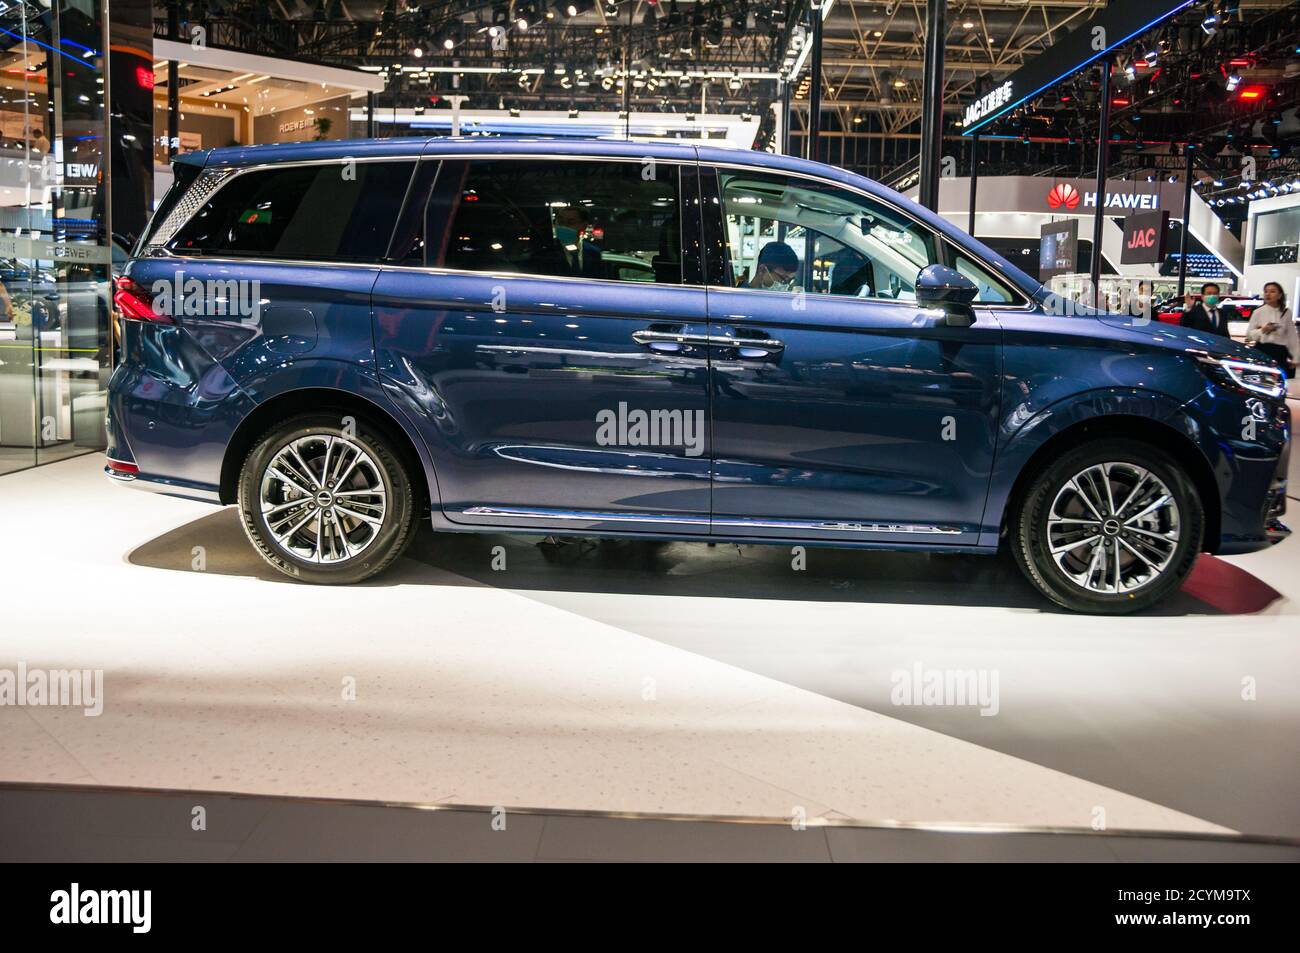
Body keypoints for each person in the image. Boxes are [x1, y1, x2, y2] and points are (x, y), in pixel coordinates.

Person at [1245, 281, 1298, 375]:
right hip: (1263, 350)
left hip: (1280, 352)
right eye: (1266, 291)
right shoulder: (1258, 312)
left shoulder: (1286, 312)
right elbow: (1249, 335)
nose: (1268, 294)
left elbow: (1292, 336)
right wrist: (1263, 330)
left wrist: (1296, 357)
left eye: (1272, 291)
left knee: (1279, 380)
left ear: (1280, 295)